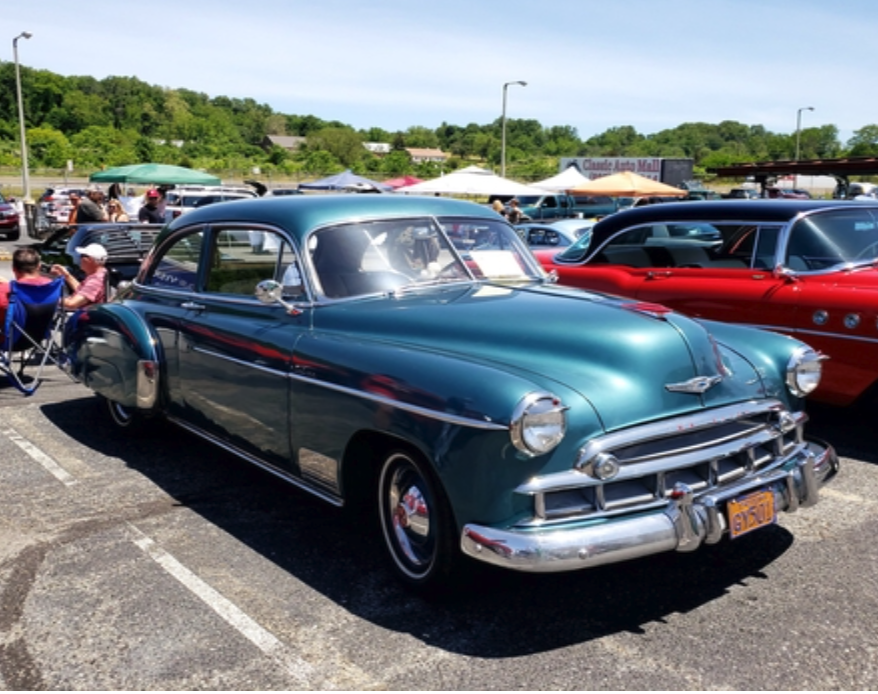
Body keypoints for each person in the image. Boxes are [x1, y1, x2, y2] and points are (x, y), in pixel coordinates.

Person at [0, 248, 53, 331]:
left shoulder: (5, 291)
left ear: (13, 269)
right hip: (38, 337)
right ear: (39, 266)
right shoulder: (50, 286)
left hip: (10, 340)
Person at [51, 243, 108, 309]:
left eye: (82, 256)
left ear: (90, 260)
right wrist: (66, 275)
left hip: (87, 317)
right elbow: (84, 291)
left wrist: (47, 298)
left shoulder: (96, 280)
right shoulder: (101, 273)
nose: (80, 258)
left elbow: (72, 304)